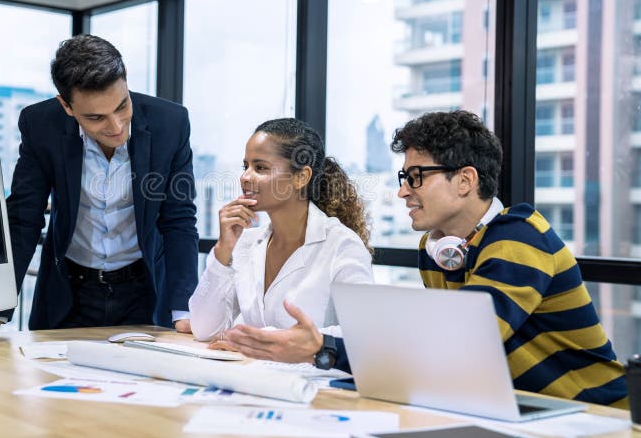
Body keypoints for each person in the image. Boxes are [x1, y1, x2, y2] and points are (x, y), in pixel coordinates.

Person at [224, 110, 628, 408]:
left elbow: (460, 347)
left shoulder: (520, 238)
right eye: (404, 179)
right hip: (514, 410)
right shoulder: (437, 249)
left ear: (466, 180)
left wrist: (322, 350)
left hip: (593, 416)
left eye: (416, 177)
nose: (403, 192)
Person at [0, 34, 198, 336]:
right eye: (96, 117)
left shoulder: (170, 123)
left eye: (122, 107)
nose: (116, 127)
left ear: (126, 79)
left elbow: (179, 219)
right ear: (66, 106)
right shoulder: (41, 125)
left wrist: (183, 309)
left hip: (144, 292)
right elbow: (23, 218)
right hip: (69, 293)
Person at [188, 118, 373, 343]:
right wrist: (223, 249)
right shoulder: (245, 243)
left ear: (300, 177)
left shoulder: (341, 245)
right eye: (245, 166)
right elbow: (204, 329)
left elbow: (363, 333)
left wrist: (263, 340)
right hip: (251, 375)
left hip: (312, 378)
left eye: (260, 168)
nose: (245, 177)